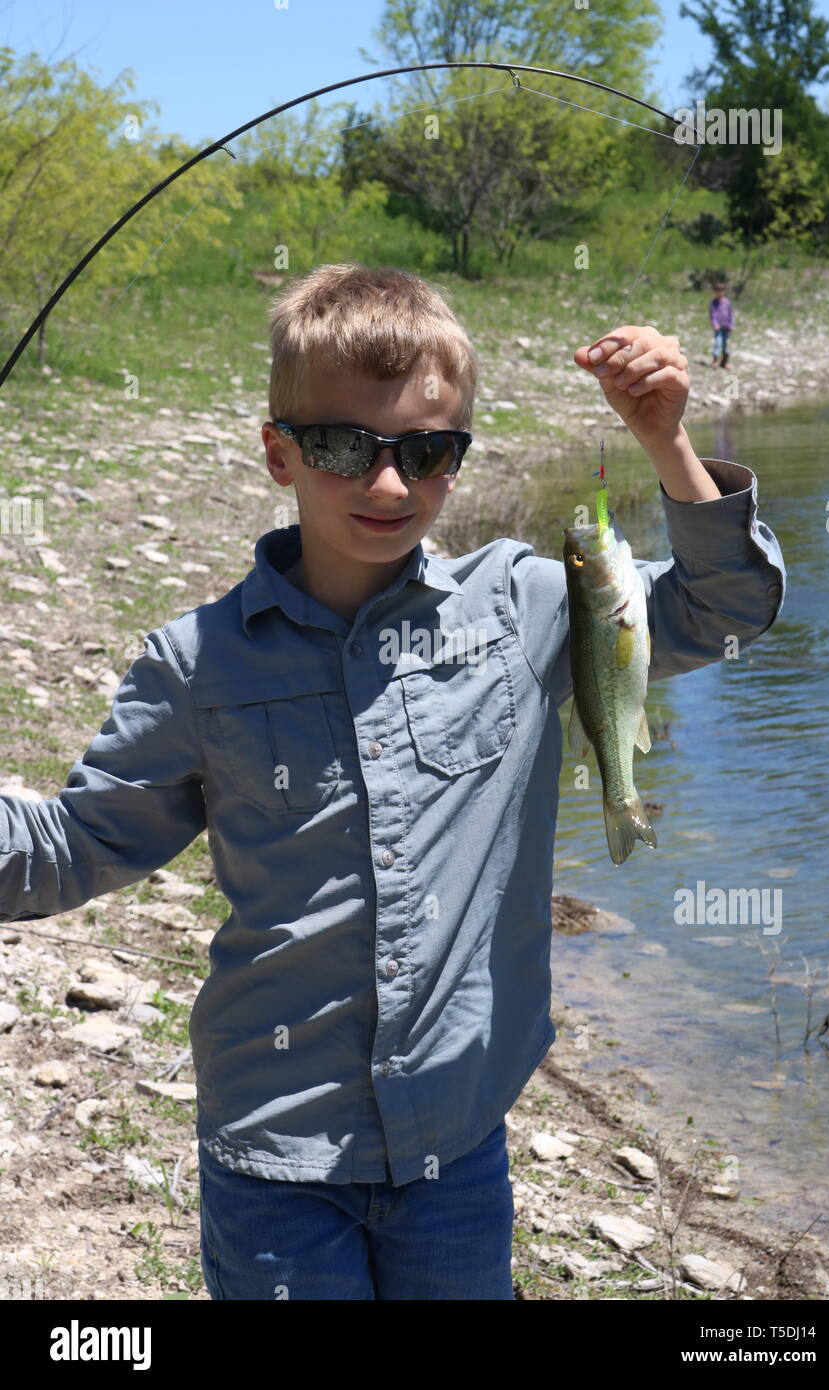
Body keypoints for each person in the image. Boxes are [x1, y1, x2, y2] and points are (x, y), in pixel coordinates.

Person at [0, 263, 785, 1300]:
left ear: (456, 459)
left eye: (426, 451)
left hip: (454, 1149)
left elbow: (722, 612)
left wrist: (664, 443)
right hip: (276, 1160)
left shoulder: (526, 606)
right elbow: (68, 848)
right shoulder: (196, 664)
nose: (387, 485)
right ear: (278, 453)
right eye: (340, 448)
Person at [709, 280, 734, 368]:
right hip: (718, 328)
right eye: (718, 291)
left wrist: (731, 324)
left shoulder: (727, 302)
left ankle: (724, 363)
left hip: (726, 327)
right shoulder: (713, 303)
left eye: (722, 291)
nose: (720, 293)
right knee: (717, 344)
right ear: (715, 292)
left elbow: (730, 314)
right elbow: (712, 315)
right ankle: (715, 361)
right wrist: (715, 324)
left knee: (725, 345)